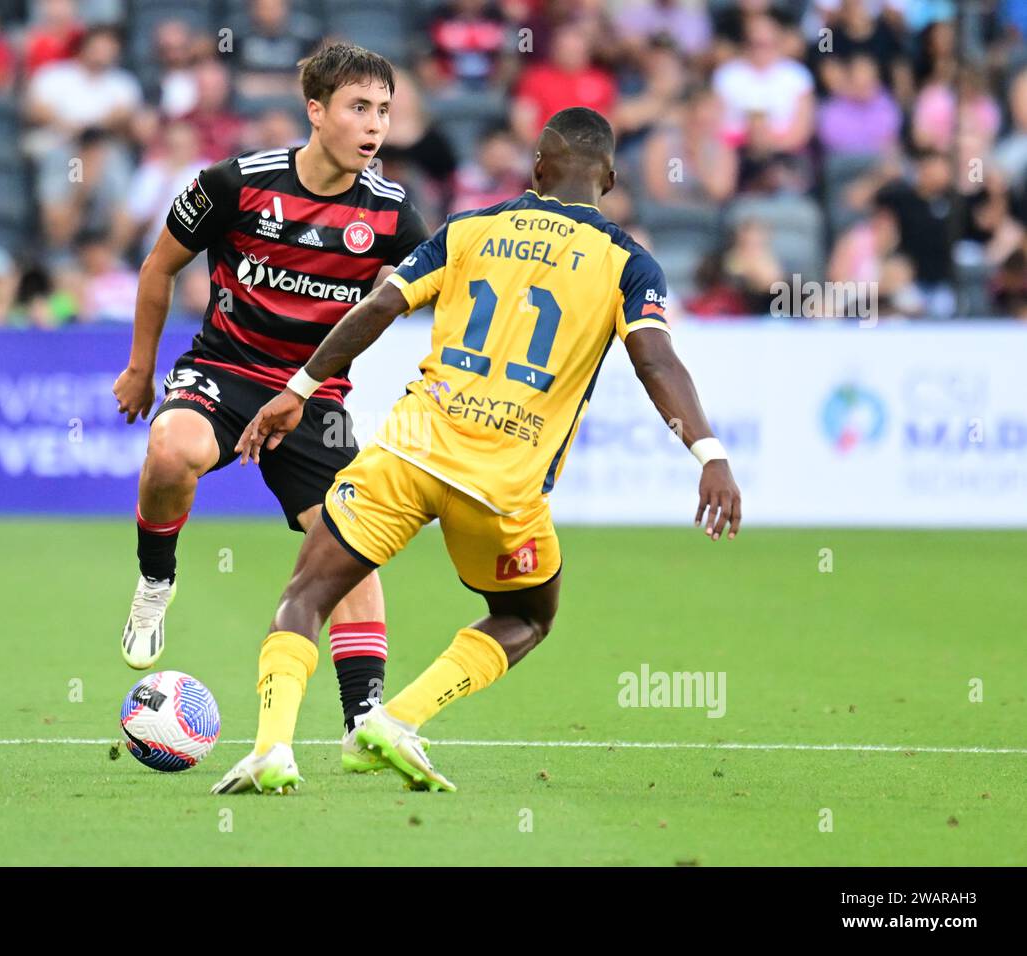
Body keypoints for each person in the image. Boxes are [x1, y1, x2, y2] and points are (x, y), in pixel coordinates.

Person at [213, 106, 742, 794]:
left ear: (538, 167)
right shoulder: (629, 264)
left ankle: (271, 749)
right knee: (526, 615)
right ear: (610, 177)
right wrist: (708, 453)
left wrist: (301, 387)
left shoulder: (467, 230)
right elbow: (655, 360)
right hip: (500, 485)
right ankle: (396, 718)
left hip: (407, 451)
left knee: (307, 593)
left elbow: (377, 307)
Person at [110, 44, 429, 768]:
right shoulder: (234, 184)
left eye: (383, 110)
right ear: (316, 112)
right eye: (358, 108)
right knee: (169, 452)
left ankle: (363, 721)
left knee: (350, 546)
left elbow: (441, 291)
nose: (374, 124)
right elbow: (160, 266)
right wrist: (139, 368)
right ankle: (157, 578)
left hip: (314, 395)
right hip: (225, 372)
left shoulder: (395, 216)